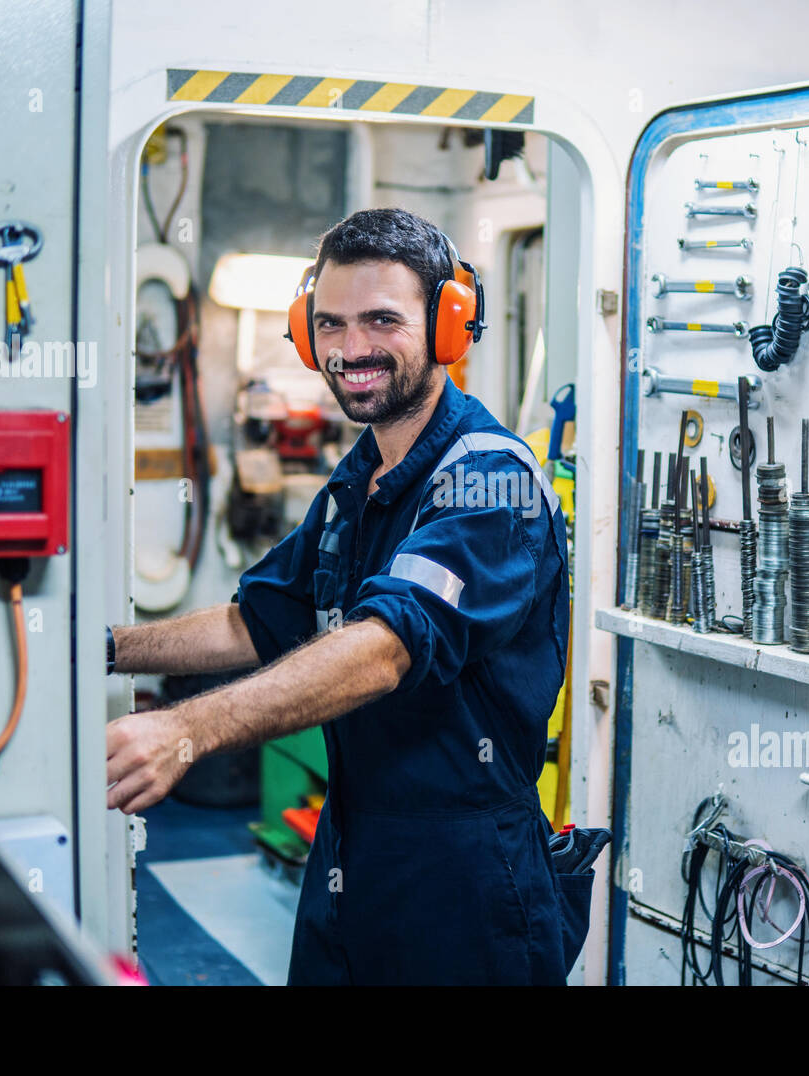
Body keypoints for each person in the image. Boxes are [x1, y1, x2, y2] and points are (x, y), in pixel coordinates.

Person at [105, 207, 573, 985]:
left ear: (448, 327)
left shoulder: (491, 480)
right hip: (350, 853)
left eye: (382, 320)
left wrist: (187, 728)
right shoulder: (359, 478)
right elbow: (255, 620)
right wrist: (105, 649)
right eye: (330, 323)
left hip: (465, 877)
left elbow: (387, 647)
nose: (351, 349)